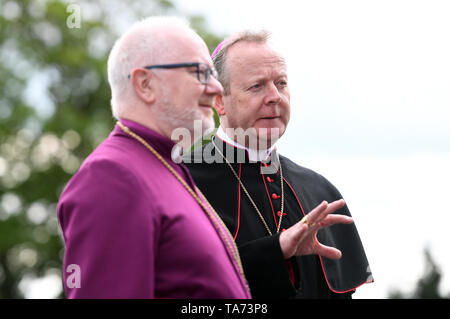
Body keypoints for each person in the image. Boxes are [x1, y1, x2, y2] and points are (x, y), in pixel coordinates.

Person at [57, 16, 250, 299]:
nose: (217, 88)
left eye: (214, 74)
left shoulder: (164, 164)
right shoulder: (111, 177)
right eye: (199, 72)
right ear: (145, 84)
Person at [185, 30, 373, 298]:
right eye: (257, 86)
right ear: (219, 101)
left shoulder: (320, 191)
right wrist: (276, 250)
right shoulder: (181, 181)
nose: (275, 96)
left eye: (281, 83)